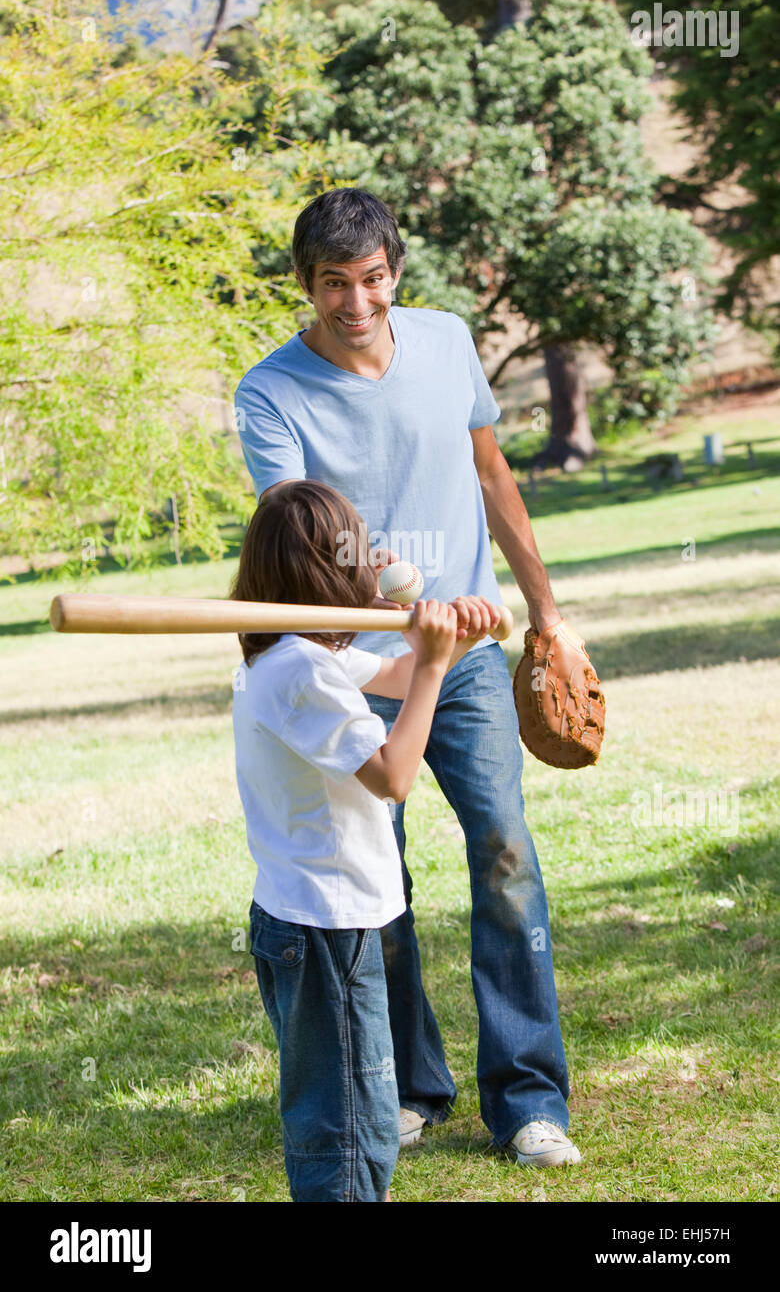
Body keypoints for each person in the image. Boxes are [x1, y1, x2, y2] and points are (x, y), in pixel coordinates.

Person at [234, 187, 582, 1168]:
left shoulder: (446, 341)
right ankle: (410, 1086)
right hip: (352, 661)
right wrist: (395, 591)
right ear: (305, 286)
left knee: (507, 854)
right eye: (334, 284)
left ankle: (528, 1101)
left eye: (374, 279)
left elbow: (493, 476)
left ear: (397, 270)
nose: (357, 302)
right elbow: (300, 525)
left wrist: (546, 615)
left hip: (465, 649)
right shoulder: (269, 391)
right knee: (369, 882)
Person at [230, 478, 504, 1202]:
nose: (374, 563)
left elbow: (392, 673)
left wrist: (447, 638)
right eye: (357, 553)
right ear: (327, 573)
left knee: (356, 1111)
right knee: (349, 1129)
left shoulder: (292, 654)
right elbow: (393, 775)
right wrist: (436, 665)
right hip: (326, 924)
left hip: (317, 918)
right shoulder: (300, 671)